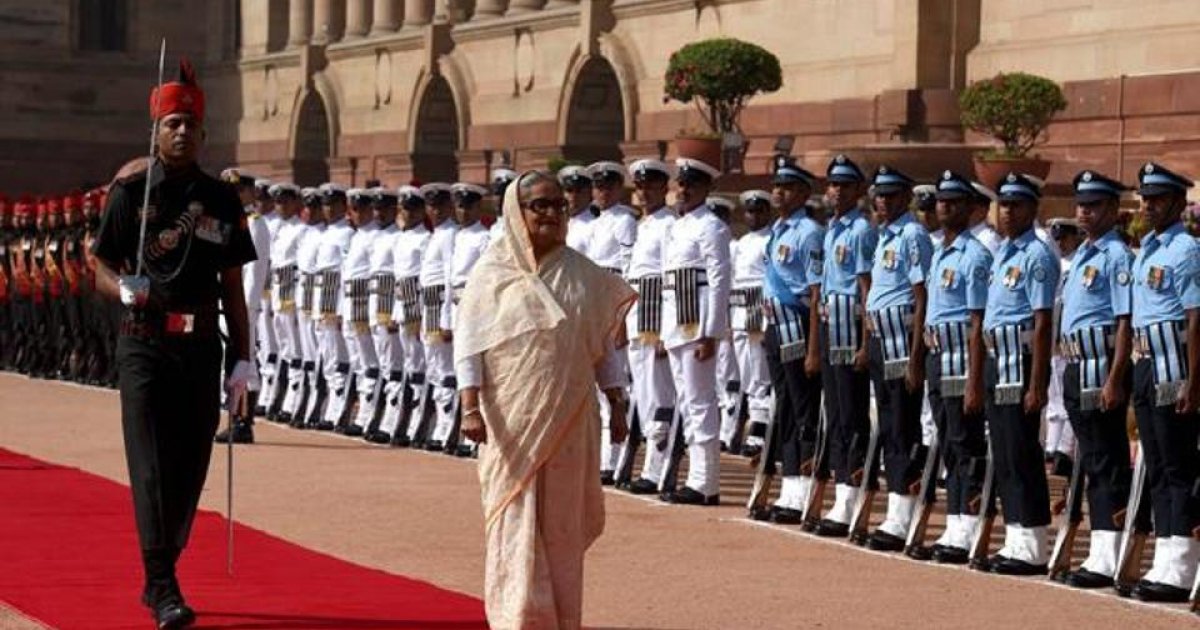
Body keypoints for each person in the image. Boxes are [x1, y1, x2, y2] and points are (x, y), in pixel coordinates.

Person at [90, 59, 256, 628]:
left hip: (200, 346)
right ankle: (161, 585)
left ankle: (162, 566)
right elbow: (100, 266)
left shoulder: (222, 201)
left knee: (189, 466)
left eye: (190, 123)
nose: (181, 132)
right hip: (143, 346)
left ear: (203, 133)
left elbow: (233, 286)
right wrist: (123, 290)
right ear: (155, 131)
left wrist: (243, 358)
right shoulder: (131, 194)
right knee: (151, 466)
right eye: (171, 123)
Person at [455, 170, 635, 629]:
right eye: (541, 205)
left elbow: (603, 345)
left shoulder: (584, 274)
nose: (552, 213)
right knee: (513, 519)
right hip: (511, 423)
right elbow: (470, 345)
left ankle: (560, 619)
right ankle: (517, 618)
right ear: (518, 211)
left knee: (561, 528)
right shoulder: (492, 272)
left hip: (572, 420)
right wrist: (470, 406)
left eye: (558, 205)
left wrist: (617, 401)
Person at [1054, 170, 1134, 589]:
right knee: (1090, 458)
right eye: (1081, 204)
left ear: (1113, 210)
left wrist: (1115, 378)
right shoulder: (1084, 253)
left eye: (1094, 205)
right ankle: (1100, 545)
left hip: (1100, 364)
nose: (1084, 211)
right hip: (1075, 365)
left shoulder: (1116, 255)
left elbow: (1125, 321)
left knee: (1106, 459)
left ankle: (1110, 550)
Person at [980, 172, 1059, 575]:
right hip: (998, 360)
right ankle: (1015, 536)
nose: (1007, 212)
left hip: (1021, 360)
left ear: (1033, 209)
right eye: (1003, 204)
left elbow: (1043, 323)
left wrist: (1037, 384)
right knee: (1005, 453)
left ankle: (1033, 543)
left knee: (1023, 452)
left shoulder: (1037, 254)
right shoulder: (1004, 252)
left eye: (1016, 205)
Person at [1128, 161, 1200, 602]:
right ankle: (1164, 556)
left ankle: (1180, 563)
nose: (1149, 205)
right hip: (1145, 361)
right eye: (1146, 198)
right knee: (1154, 464)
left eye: (1157, 198)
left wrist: (1194, 379)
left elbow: (1195, 317)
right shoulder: (1149, 248)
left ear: (1177, 201)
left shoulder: (1187, 249)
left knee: (1176, 466)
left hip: (1175, 363)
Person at [917, 170, 993, 564]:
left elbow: (979, 320)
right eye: (941, 201)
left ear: (969, 208)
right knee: (947, 442)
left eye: (953, 202)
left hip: (962, 359)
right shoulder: (938, 251)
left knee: (965, 444)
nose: (944, 207)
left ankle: (967, 526)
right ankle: (955, 521)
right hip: (937, 356)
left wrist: (975, 380)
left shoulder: (975, 255)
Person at [862, 165, 933, 551]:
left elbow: (922, 295)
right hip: (880, 337)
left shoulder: (913, 235)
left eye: (891, 195)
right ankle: (895, 508)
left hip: (902, 340)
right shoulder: (885, 236)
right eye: (879, 195)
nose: (883, 201)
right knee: (888, 425)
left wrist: (916, 356)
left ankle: (903, 512)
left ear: (906, 197)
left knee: (903, 427)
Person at [755, 158, 825, 524]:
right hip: (775, 325)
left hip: (798, 324)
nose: (778, 192)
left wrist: (814, 348)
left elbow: (816, 293)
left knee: (803, 406)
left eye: (787, 187)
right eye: (776, 185)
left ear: (803, 193)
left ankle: (802, 490)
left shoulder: (809, 232)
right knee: (783, 404)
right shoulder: (778, 229)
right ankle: (789, 483)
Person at [659, 157, 732, 505]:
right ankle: (697, 477)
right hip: (675, 324)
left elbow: (719, 282)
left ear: (707, 188)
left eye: (691, 185)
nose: (684, 191)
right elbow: (667, 284)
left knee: (701, 400)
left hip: (696, 323)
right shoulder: (677, 226)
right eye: (681, 184)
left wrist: (711, 332)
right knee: (687, 402)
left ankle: (706, 482)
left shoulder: (712, 227)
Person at [814, 154, 877, 537]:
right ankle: (841, 492)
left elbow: (867, 289)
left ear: (858, 191)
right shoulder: (832, 228)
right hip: (829, 327)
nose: (836, 191)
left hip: (852, 327)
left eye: (844, 185)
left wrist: (866, 342)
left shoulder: (861, 231)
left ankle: (853, 493)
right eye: (833, 184)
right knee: (835, 414)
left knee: (853, 417)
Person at [621, 158, 677, 493]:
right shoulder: (641, 225)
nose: (643, 192)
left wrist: (666, 331)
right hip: (637, 313)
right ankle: (651, 467)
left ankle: (661, 468)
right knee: (642, 392)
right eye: (639, 186)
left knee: (659, 393)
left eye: (651, 186)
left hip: (657, 313)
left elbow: (669, 278)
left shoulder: (669, 224)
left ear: (663, 188)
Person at [584, 160, 637, 484]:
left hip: (614, 301)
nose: (601, 192)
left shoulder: (625, 221)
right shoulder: (595, 223)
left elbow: (628, 274)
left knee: (617, 387)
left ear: (618, 188)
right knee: (596, 386)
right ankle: (603, 458)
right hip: (595, 303)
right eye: (597, 186)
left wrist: (623, 320)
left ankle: (617, 460)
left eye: (607, 186)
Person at [215, 169, 270, 444]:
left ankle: (243, 422)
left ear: (250, 192)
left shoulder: (255, 225)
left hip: (242, 307)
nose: (234, 195)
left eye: (238, 190)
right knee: (233, 362)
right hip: (225, 304)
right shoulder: (229, 222)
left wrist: (244, 310)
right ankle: (235, 416)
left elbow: (255, 273)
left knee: (244, 363)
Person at [384, 185, 431, 445]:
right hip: (401, 302)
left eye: (413, 209)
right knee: (407, 364)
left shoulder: (425, 239)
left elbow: (423, 279)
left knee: (420, 364)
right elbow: (395, 278)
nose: (408, 213)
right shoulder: (400, 238)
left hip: (416, 302)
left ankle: (421, 421)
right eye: (405, 208)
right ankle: (406, 419)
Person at [727, 189, 773, 456]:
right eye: (749, 211)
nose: (753, 216)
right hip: (739, 310)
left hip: (758, 308)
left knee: (758, 372)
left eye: (758, 211)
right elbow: (733, 280)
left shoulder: (770, 240)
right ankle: (752, 426)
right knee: (746, 372)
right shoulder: (741, 243)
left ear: (767, 212)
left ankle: (760, 430)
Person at [418, 182, 459, 449]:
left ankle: (447, 428)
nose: (433, 211)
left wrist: (446, 319)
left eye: (438, 206)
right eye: (430, 206)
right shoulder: (436, 234)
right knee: (434, 367)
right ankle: (439, 425)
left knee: (445, 369)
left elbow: (448, 277)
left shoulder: (449, 234)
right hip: (428, 302)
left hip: (440, 303)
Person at [312, 183, 355, 429]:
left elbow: (344, 272)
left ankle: (339, 411)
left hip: (334, 297)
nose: (327, 209)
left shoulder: (346, 233)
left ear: (342, 206)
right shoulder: (326, 233)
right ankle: (330, 406)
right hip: (320, 297)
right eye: (325, 204)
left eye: (332, 204)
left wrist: (339, 309)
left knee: (338, 358)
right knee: (327, 357)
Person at [341, 188, 382, 436]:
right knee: (357, 362)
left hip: (365, 302)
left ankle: (370, 415)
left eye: (359, 209)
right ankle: (361, 413)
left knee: (370, 363)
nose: (355, 214)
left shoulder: (376, 236)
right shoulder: (356, 236)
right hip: (349, 301)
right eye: (352, 209)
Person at [560, 165, 595, 256]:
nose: (574, 196)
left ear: (589, 194)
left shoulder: (595, 224)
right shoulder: (558, 220)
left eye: (579, 191)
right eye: (569, 190)